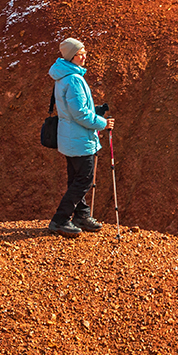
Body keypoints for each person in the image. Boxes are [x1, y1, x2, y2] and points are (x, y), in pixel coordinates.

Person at [48, 37, 112, 238]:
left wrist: (96, 111)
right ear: (71, 56)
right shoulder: (74, 79)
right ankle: (60, 220)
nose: (85, 56)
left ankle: (81, 215)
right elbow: (81, 114)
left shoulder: (64, 76)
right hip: (79, 139)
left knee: (75, 178)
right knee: (84, 180)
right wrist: (103, 123)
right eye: (81, 53)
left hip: (69, 137)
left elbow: (75, 109)